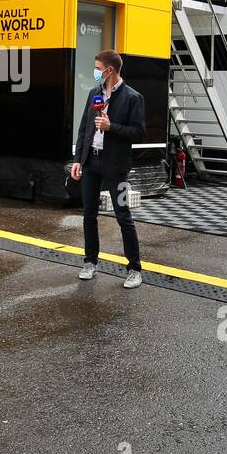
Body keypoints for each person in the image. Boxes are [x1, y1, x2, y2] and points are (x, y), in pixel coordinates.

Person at [69, 49, 147, 289]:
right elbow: (84, 129)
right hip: (91, 163)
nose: (95, 72)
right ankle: (90, 262)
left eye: (97, 67)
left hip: (116, 167)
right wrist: (78, 160)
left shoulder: (133, 97)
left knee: (123, 216)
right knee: (89, 214)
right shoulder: (94, 93)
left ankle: (134, 269)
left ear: (109, 70)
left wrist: (112, 126)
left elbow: (139, 131)